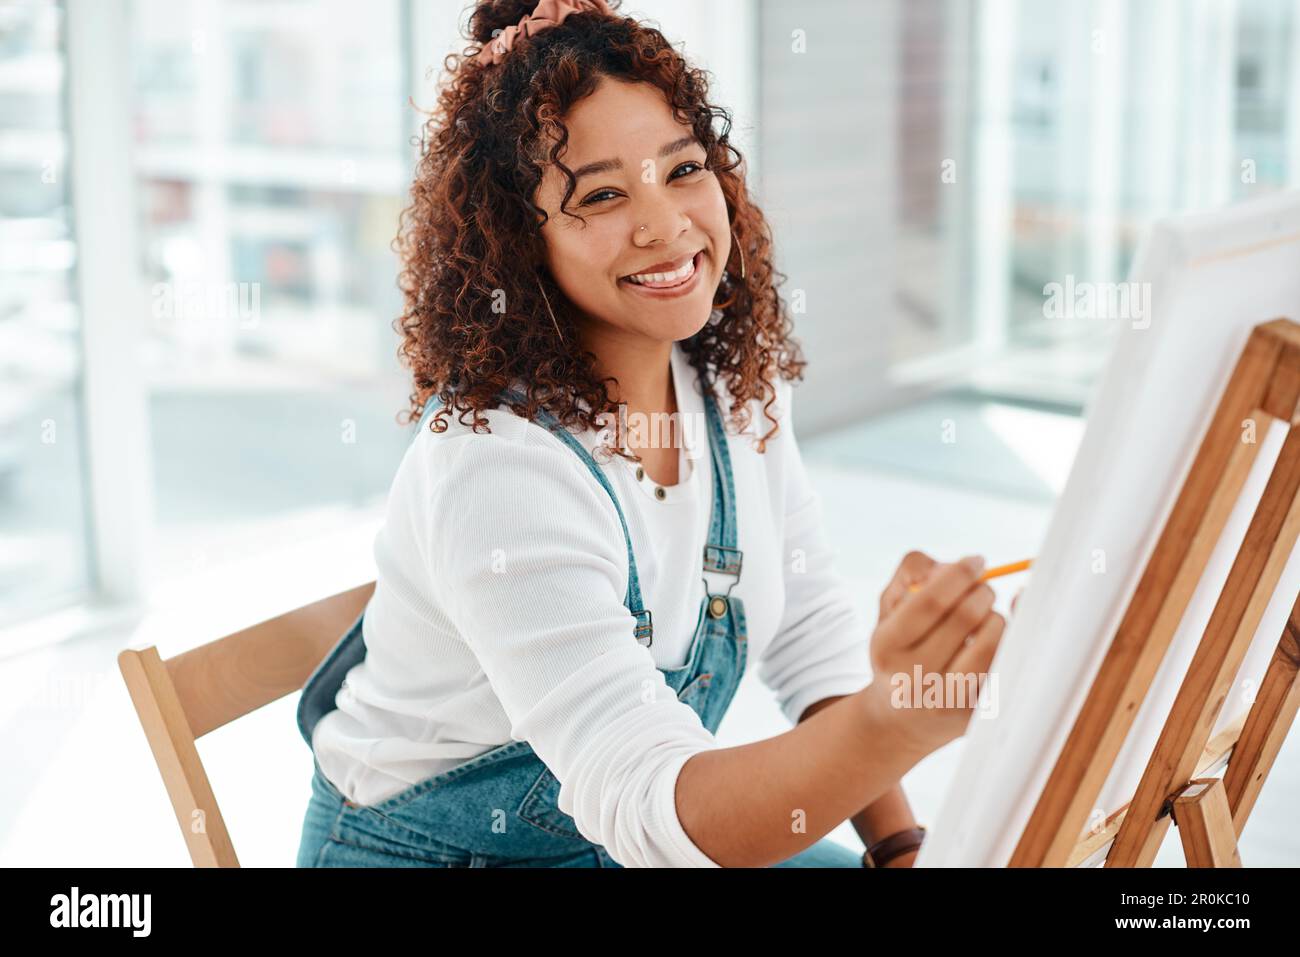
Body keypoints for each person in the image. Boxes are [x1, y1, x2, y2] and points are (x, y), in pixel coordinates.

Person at [295, 0, 1005, 868]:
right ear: (520, 242)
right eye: (600, 193)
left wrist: (898, 846)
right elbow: (643, 804)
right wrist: (891, 723)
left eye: (682, 169)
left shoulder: (726, 384)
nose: (665, 223)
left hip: (647, 833)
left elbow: (808, 630)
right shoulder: (495, 467)